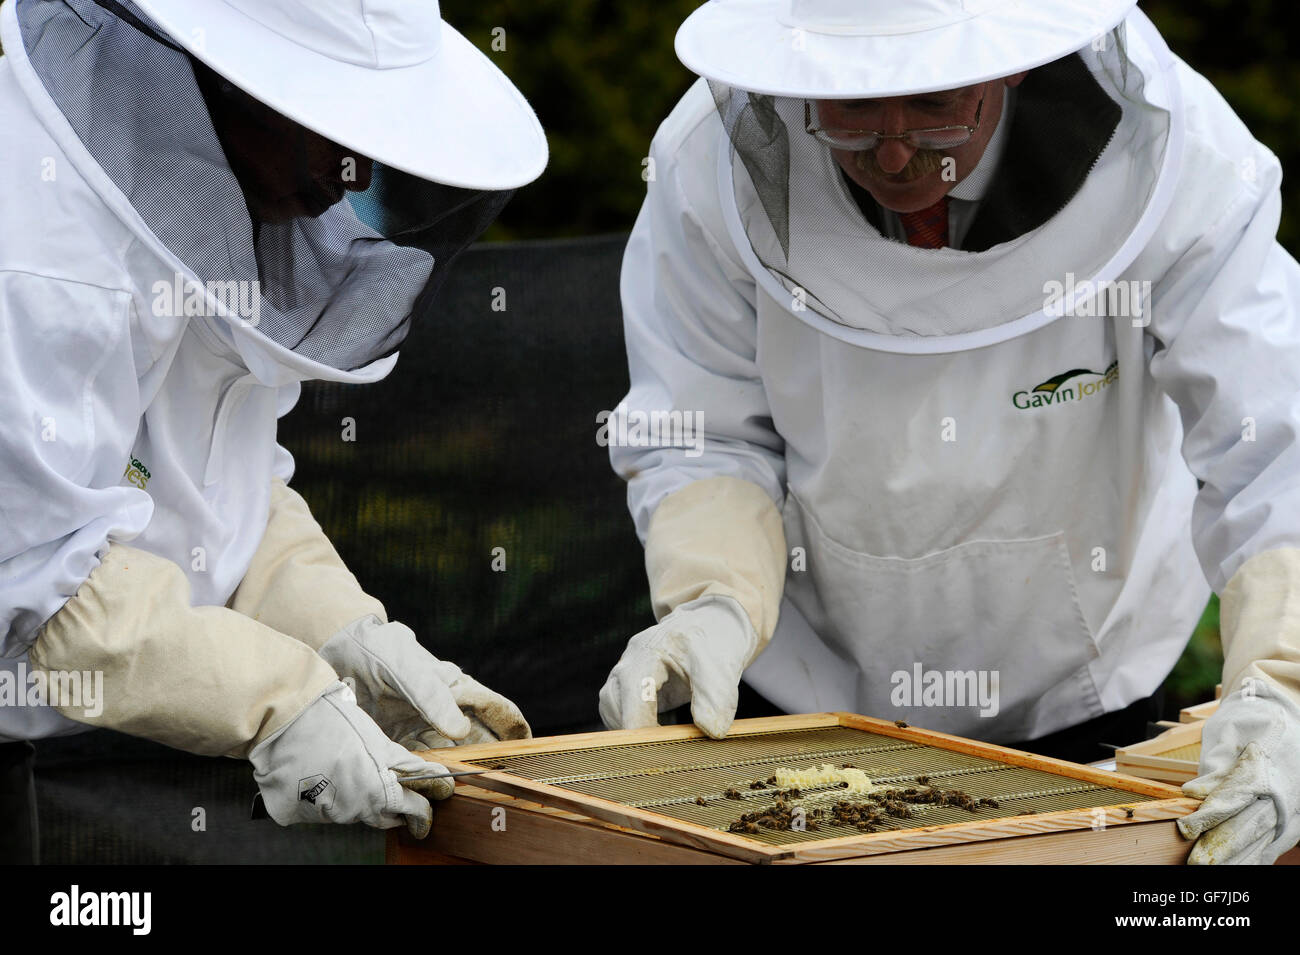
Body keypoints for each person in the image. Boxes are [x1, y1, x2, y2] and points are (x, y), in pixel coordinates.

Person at [600, 0, 1300, 865]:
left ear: (1012, 61)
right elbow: (702, 427)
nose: (893, 155)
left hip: (1085, 678)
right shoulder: (708, 163)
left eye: (934, 105)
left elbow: (1270, 435)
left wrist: (1285, 681)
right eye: (851, 110)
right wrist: (713, 599)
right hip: (813, 684)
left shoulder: (1180, 155)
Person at [0, 0, 548, 862]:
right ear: (231, 81)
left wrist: (343, 634)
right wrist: (280, 698)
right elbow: (34, 577)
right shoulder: (38, 248)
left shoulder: (209, 193)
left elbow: (216, 486)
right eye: (332, 129)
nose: (353, 175)